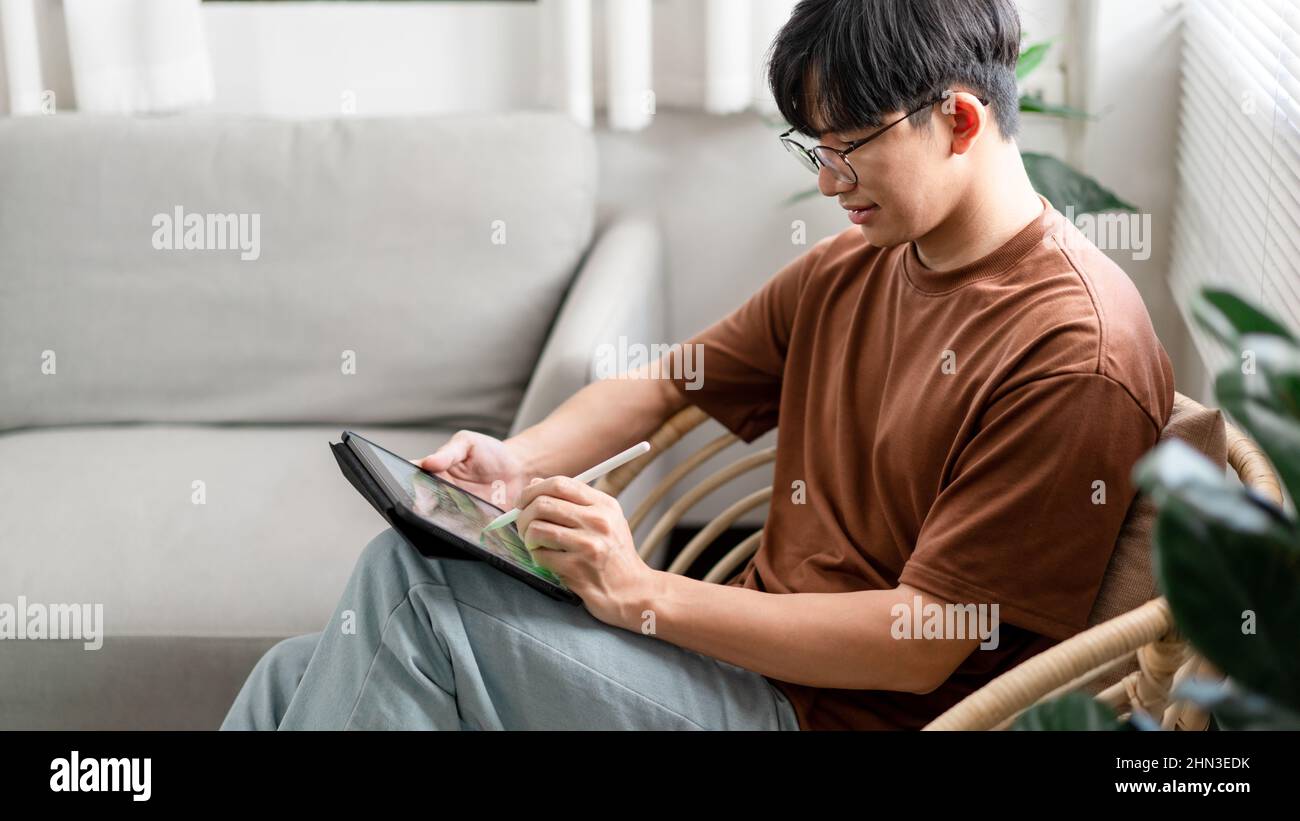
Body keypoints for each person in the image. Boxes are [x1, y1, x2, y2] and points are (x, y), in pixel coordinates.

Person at [223, 0, 1173, 731]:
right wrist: (521, 461)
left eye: (847, 149)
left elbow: (925, 643)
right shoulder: (861, 262)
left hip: (821, 715)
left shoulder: (1070, 355)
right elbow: (665, 382)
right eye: (816, 147)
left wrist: (642, 593)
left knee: (411, 592)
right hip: (735, 661)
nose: (825, 181)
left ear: (959, 122)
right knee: (290, 678)